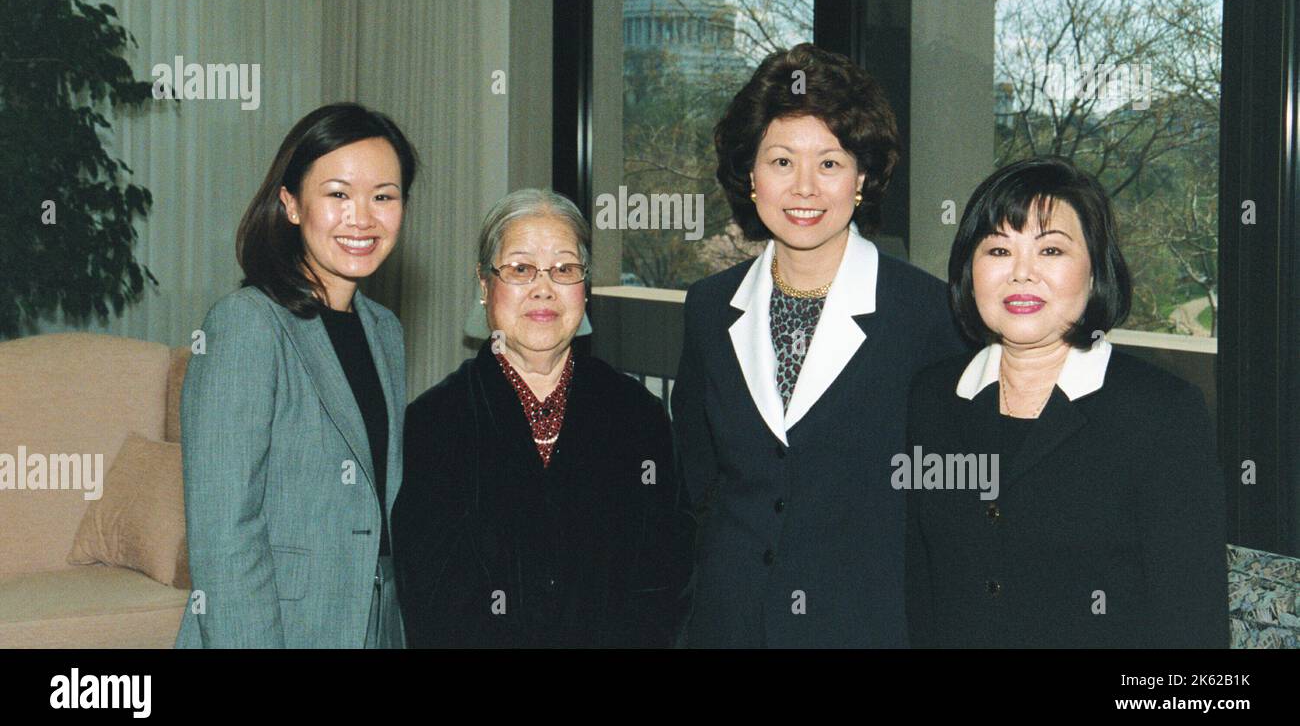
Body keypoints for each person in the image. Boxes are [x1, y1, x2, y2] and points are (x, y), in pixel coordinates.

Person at [670, 43, 970, 647]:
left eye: (829, 163)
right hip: (727, 627)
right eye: (781, 161)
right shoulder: (708, 308)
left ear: (862, 177)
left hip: (868, 629)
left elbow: (950, 510)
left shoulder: (930, 316)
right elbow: (696, 482)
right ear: (750, 176)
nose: (804, 187)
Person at [905, 155, 1228, 647]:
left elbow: (1192, 626)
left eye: (1050, 251)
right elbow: (921, 591)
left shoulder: (1161, 414)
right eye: (998, 251)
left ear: (1096, 270)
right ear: (969, 273)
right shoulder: (933, 398)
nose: (1021, 274)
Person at [393, 188, 694, 647]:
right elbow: (429, 598)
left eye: (565, 269)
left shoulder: (639, 417)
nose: (543, 287)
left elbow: (667, 576)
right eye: (519, 268)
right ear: (483, 284)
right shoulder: (435, 423)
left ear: (585, 287)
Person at [175, 103, 418, 648]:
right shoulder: (245, 325)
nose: (363, 217)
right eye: (337, 194)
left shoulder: (385, 331)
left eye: (384, 196)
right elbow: (223, 535)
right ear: (290, 204)